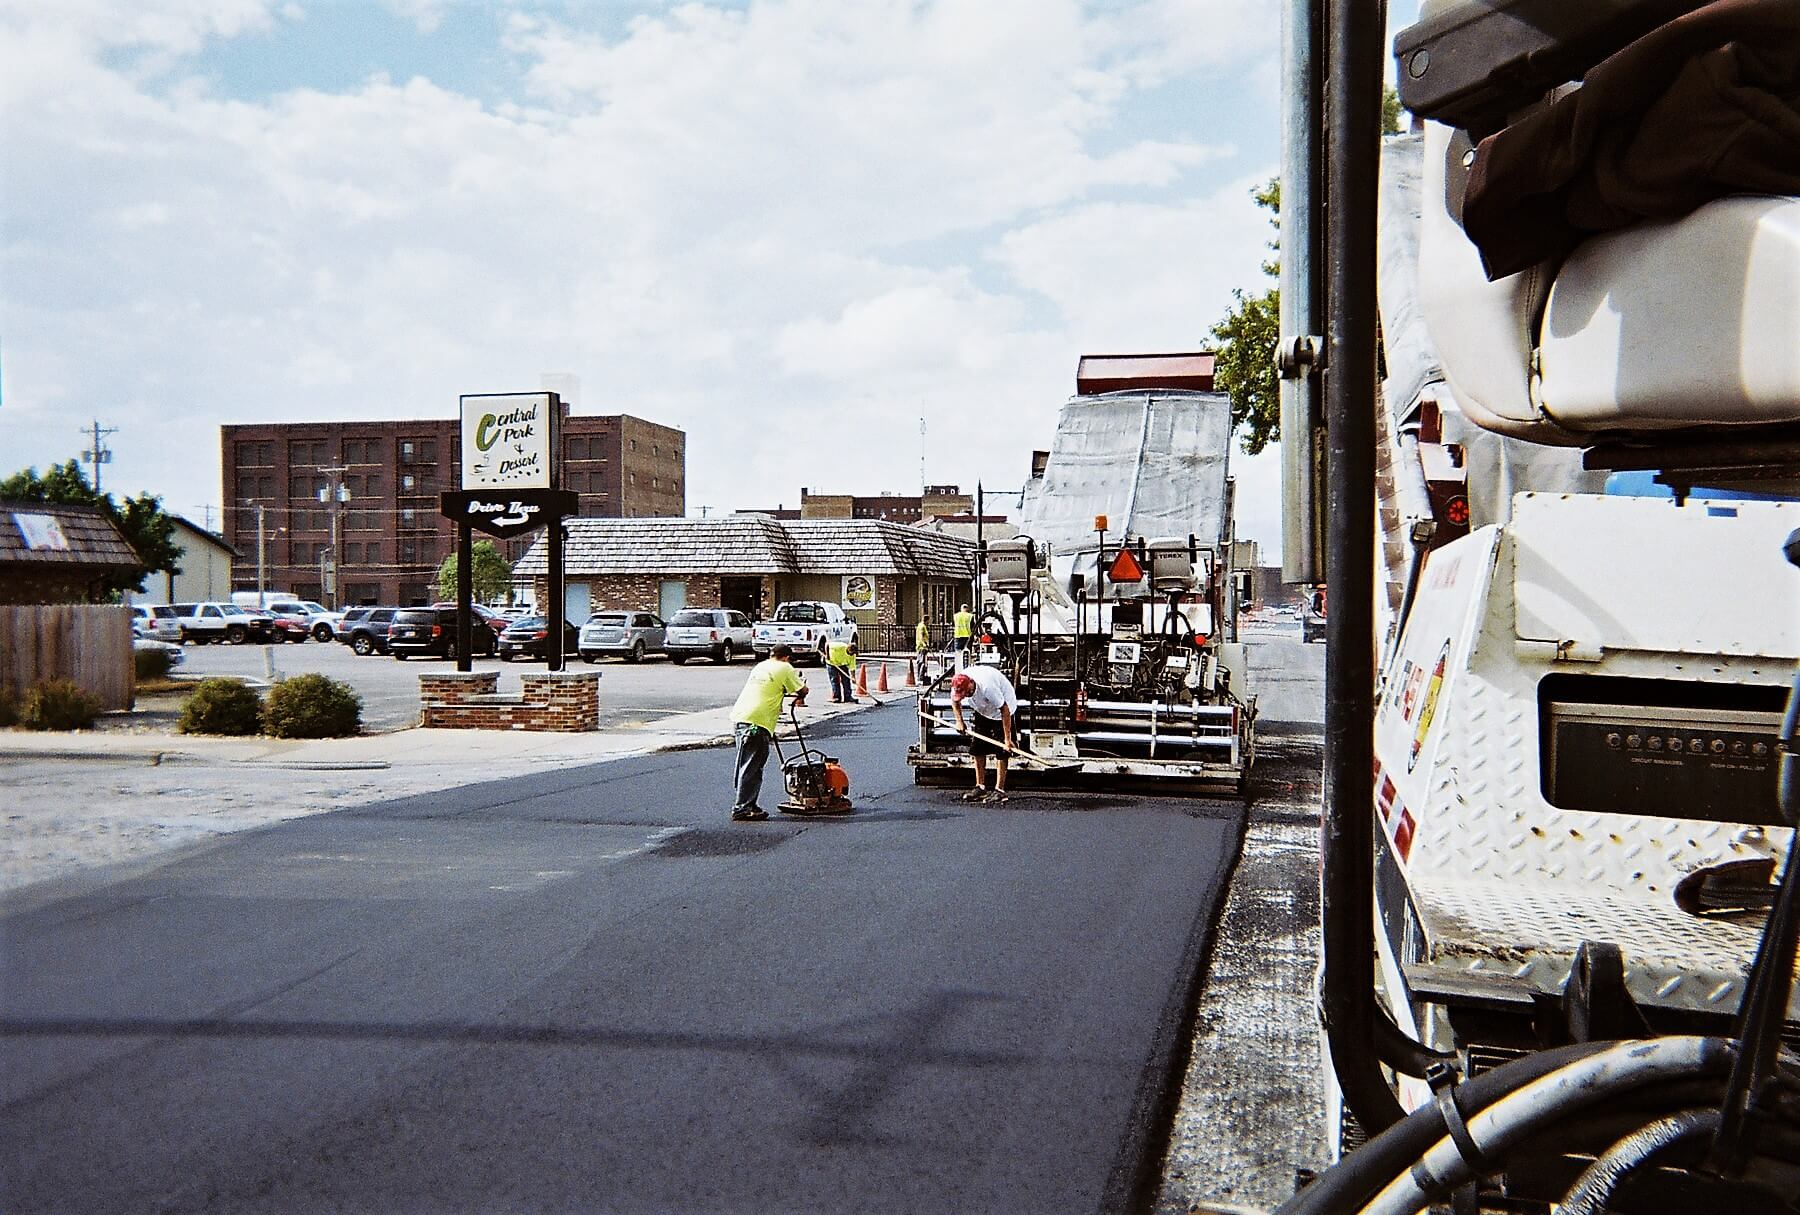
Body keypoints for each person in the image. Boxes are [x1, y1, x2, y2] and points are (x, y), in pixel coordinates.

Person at [729, 643, 808, 822]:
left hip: (741, 718)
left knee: (747, 764)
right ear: (787, 657)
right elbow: (801, 690)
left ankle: (749, 804)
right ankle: (742, 808)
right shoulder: (785, 667)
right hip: (757, 721)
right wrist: (803, 688)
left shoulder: (761, 666)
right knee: (752, 766)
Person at [949, 664, 1018, 805]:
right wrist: (959, 721)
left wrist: (1007, 739)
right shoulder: (958, 683)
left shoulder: (987, 687)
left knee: (1002, 751)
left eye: (965, 693)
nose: (963, 697)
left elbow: (1004, 709)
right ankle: (980, 787)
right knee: (977, 748)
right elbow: (955, 702)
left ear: (971, 684)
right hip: (982, 710)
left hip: (1002, 711)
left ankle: (1000, 790)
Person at [826, 637, 857, 703]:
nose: (851, 654)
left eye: (853, 653)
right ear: (848, 649)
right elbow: (827, 644)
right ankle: (837, 697)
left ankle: (848, 697)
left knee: (846, 680)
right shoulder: (840, 646)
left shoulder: (852, 656)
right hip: (832, 663)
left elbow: (852, 667)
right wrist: (827, 655)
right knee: (834, 680)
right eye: (851, 653)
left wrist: (853, 677)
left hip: (843, 665)